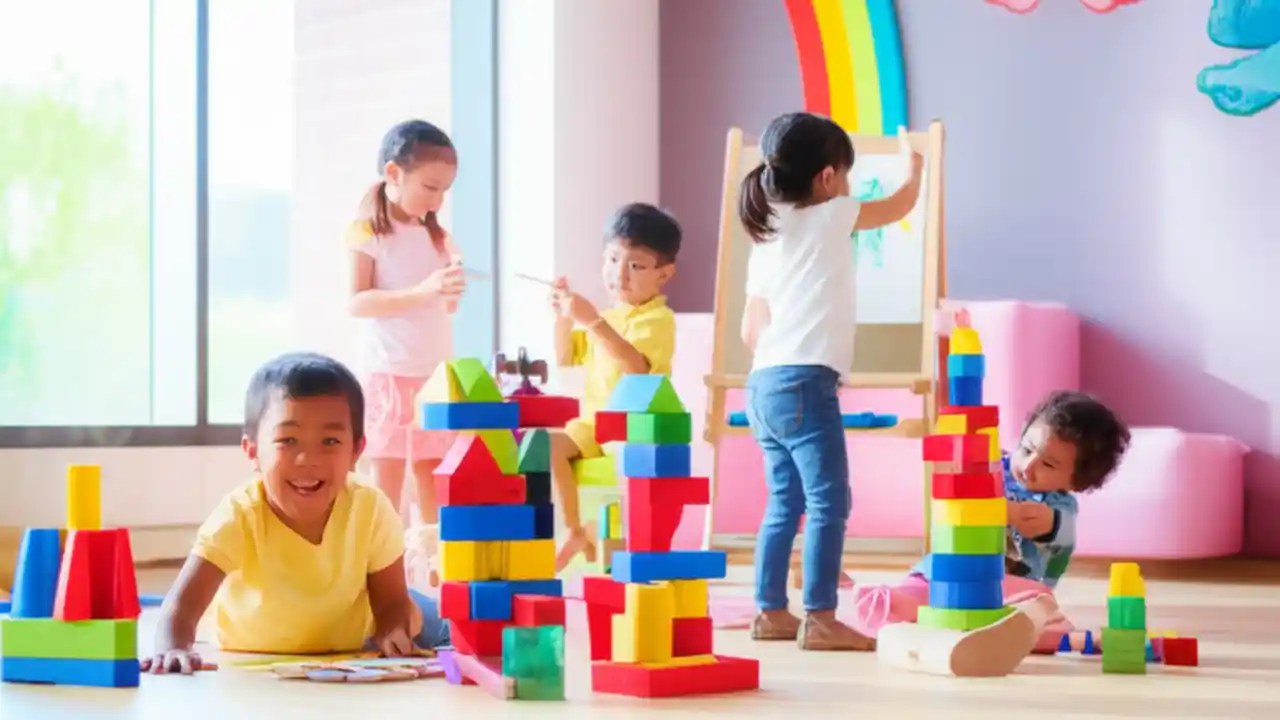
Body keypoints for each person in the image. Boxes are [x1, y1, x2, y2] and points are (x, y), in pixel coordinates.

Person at [739, 112, 924, 650]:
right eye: (846, 176)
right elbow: (900, 205)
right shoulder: (832, 213)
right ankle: (820, 616)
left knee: (783, 504)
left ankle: (771, 611)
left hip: (763, 383)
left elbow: (751, 331)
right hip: (804, 380)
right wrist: (914, 168)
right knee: (828, 503)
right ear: (827, 178)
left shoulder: (767, 233)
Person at [142, 352, 449, 674]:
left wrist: (391, 632)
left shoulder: (370, 507)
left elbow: (391, 602)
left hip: (355, 638)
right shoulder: (240, 515)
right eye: (287, 440)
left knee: (448, 624)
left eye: (330, 441)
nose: (308, 459)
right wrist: (173, 647)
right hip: (254, 647)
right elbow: (181, 604)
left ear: (356, 451)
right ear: (252, 451)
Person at [851, 390, 1131, 645]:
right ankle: (892, 607)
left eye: (1048, 464)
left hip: (1006, 590)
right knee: (920, 584)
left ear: (1076, 481)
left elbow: (1059, 531)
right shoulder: (992, 464)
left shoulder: (1061, 509)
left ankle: (1031, 635)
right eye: (1027, 449)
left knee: (1038, 606)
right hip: (952, 573)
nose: (1028, 466)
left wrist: (1037, 519)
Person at [346, 119, 465, 573]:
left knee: (432, 469)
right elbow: (358, 301)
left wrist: (447, 292)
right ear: (394, 174)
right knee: (388, 474)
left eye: (444, 191)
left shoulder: (437, 237)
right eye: (430, 187)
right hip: (389, 372)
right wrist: (424, 291)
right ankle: (383, 565)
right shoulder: (367, 233)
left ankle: (435, 562)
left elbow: (442, 307)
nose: (437, 201)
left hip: (432, 375)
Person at [548, 203, 681, 570]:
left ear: (664, 274)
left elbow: (637, 369)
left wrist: (593, 322)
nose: (619, 275)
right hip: (593, 425)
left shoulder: (658, 320)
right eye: (611, 259)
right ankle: (574, 530)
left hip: (632, 430)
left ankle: (626, 546)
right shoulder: (606, 318)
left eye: (636, 266)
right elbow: (564, 357)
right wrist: (563, 319)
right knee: (546, 447)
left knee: (633, 474)